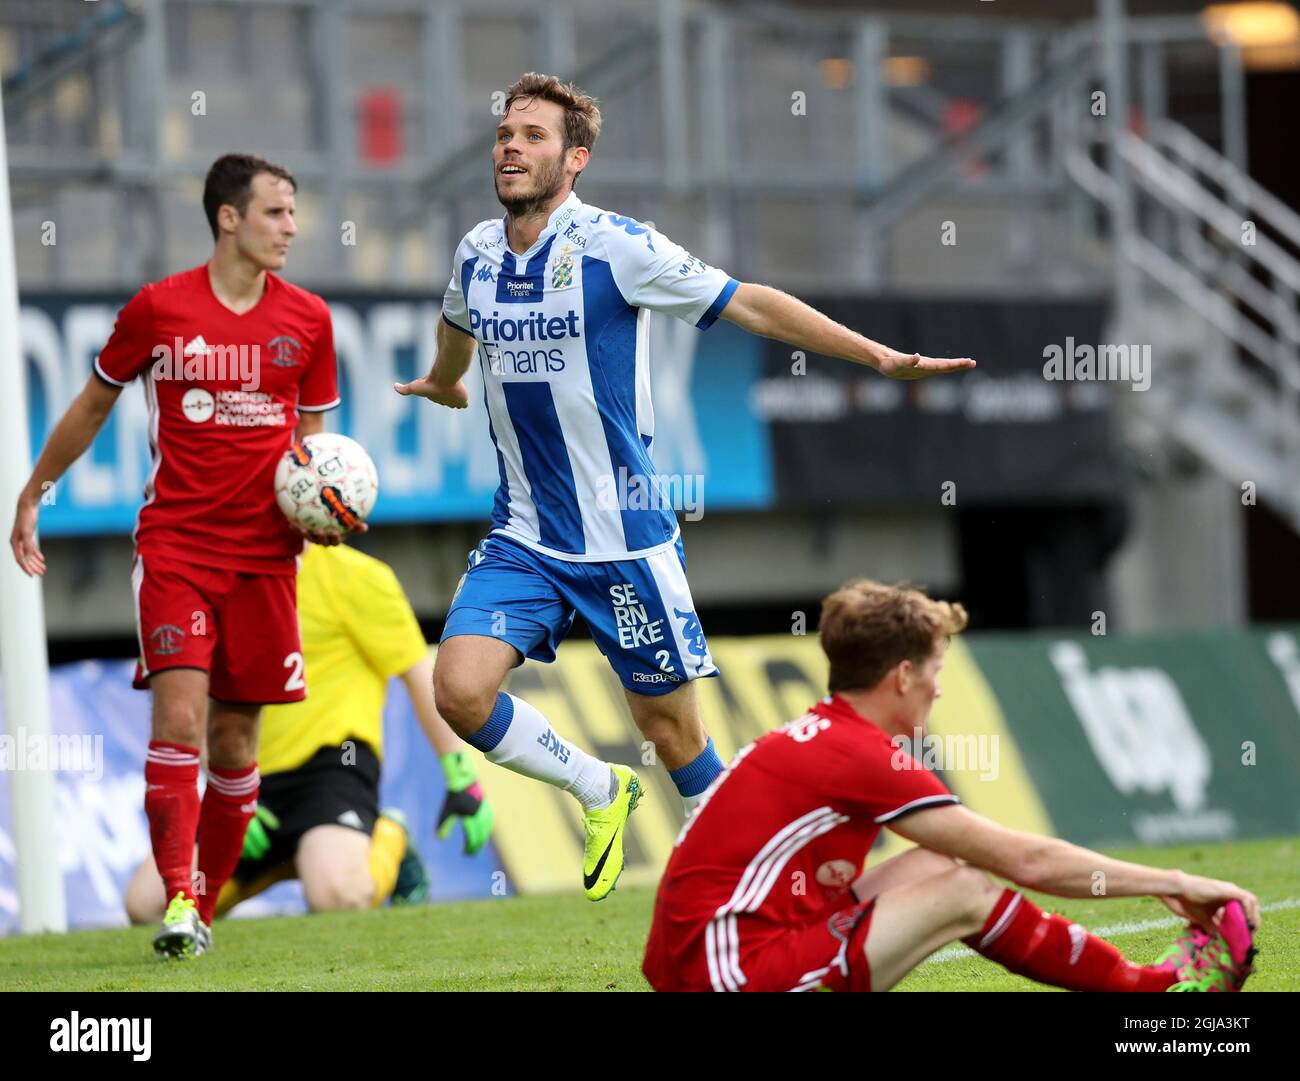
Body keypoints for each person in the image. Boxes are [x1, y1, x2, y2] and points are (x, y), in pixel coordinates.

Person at [393, 72, 976, 902]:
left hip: (624, 539)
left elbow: (755, 307)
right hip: (523, 534)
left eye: (533, 135)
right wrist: (445, 381)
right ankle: (598, 789)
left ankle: (771, 886)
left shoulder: (616, 247)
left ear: (575, 158)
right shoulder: (478, 252)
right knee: (458, 688)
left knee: (670, 731)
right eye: (504, 134)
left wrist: (877, 356)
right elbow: (459, 326)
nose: (512, 147)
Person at [10, 153, 352, 958]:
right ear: (228, 218)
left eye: (295, 213)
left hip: (268, 560)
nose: (291, 228)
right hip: (177, 548)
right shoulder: (160, 310)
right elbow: (94, 405)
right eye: (275, 213)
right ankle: (175, 897)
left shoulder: (309, 320)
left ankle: (200, 902)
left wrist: (327, 510)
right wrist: (33, 493)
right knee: (180, 718)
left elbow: (316, 451)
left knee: (235, 746)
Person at [642, 579, 1260, 992]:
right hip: (726, 976)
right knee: (964, 887)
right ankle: (1154, 991)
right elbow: (1027, 860)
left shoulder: (823, 731)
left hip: (700, 963)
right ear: (904, 675)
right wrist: (1175, 883)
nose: (941, 687)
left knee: (938, 863)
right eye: (937, 669)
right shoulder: (860, 754)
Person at [123, 542, 494, 922]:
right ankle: (288, 860)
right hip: (245, 780)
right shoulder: (220, 582)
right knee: (148, 906)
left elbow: (419, 676)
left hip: (332, 769)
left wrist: (460, 773)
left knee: (339, 897)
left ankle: (389, 840)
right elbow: (189, 698)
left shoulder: (358, 577)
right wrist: (222, 784)